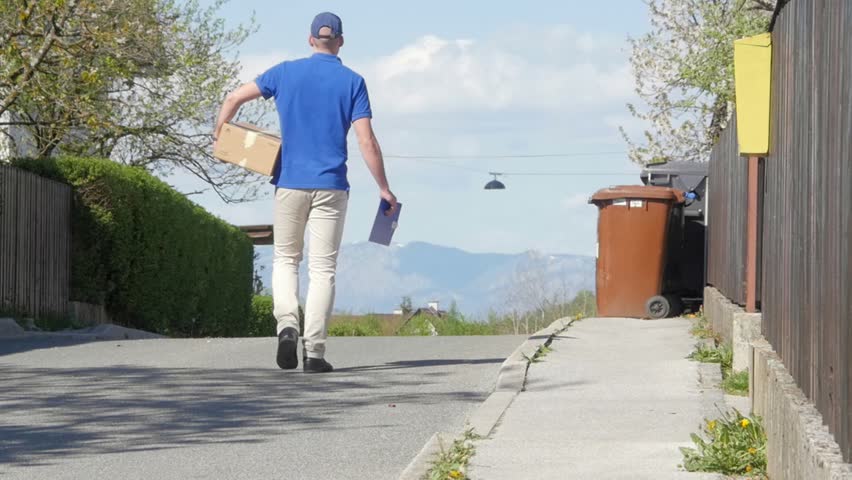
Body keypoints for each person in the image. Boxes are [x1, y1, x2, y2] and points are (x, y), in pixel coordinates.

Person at [213, 12, 397, 373]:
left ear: (310, 39)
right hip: (331, 186)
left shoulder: (284, 72)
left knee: (285, 260)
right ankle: (314, 352)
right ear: (341, 41)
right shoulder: (353, 82)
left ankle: (287, 326)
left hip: (289, 183)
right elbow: (366, 140)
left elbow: (235, 97)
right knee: (323, 268)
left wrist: (222, 132)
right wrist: (384, 188)